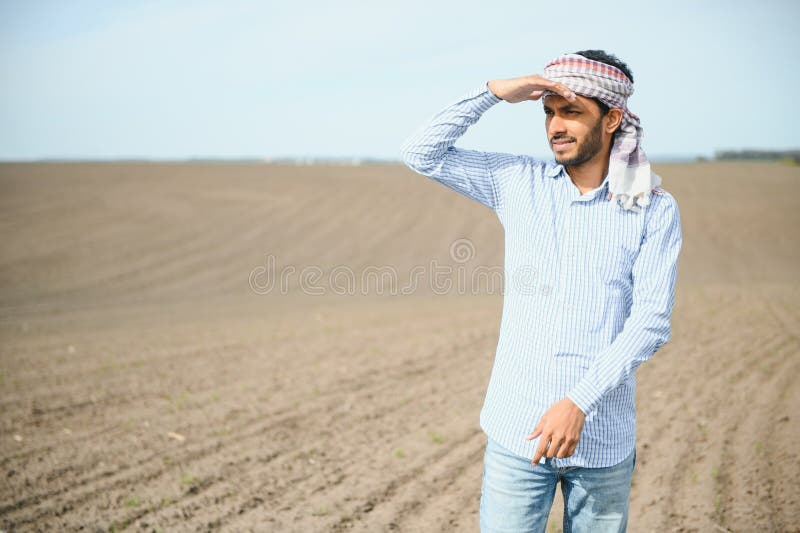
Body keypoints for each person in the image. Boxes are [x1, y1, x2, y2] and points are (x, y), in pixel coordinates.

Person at [399, 50, 683, 532]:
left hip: (601, 442)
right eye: (549, 112)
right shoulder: (517, 182)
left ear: (612, 118)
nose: (556, 125)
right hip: (516, 435)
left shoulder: (652, 208)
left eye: (571, 112)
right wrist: (493, 93)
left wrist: (578, 402)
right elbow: (420, 153)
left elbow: (651, 321)